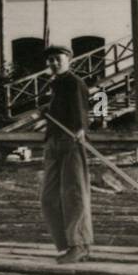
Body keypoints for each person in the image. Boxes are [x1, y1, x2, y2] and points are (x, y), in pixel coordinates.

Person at [41, 45, 94, 263]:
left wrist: (81, 130)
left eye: (58, 59)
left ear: (68, 59)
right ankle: (66, 244)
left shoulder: (74, 83)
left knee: (73, 194)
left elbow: (82, 111)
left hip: (71, 141)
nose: (53, 63)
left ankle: (79, 244)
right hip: (53, 142)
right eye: (50, 60)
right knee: (49, 197)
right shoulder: (54, 85)